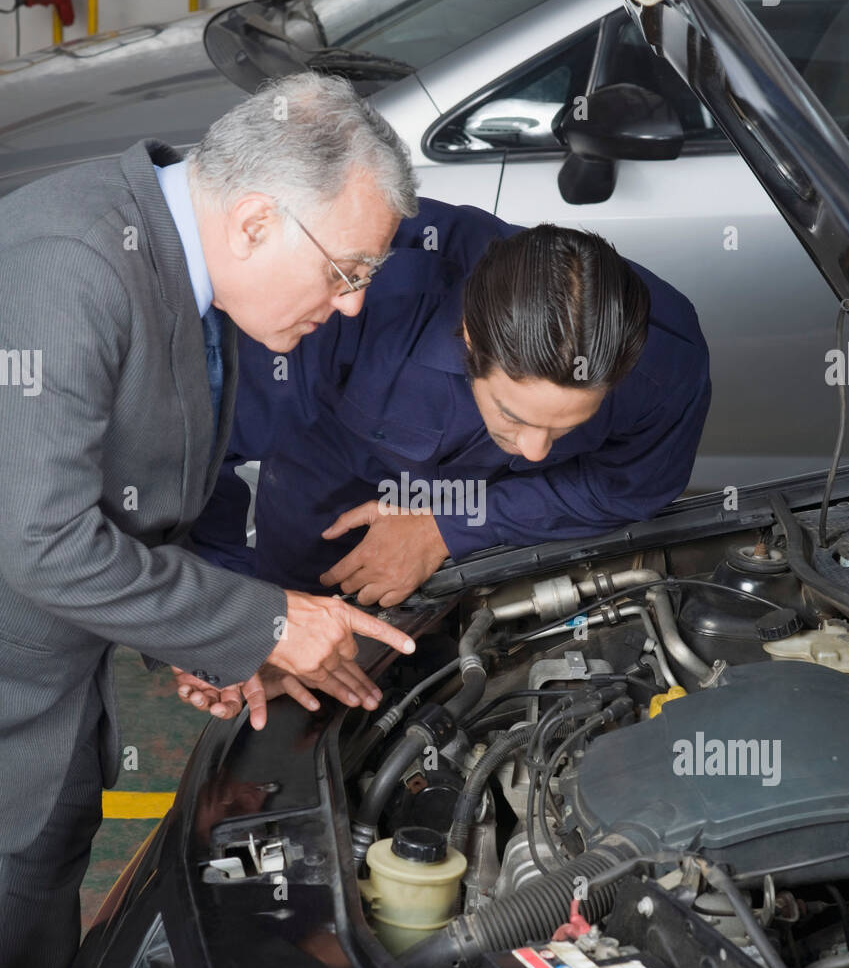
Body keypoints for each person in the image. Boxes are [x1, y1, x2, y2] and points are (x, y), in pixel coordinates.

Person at [0, 73, 420, 968]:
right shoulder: (73, 264)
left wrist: (190, 640)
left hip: (49, 721)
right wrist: (272, 620)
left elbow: (130, 508)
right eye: (349, 268)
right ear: (254, 219)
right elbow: (41, 541)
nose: (357, 299)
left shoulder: (178, 267)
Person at [180, 200, 710, 720]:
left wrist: (446, 526)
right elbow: (191, 463)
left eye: (566, 426)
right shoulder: (349, 284)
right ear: (470, 337)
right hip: (321, 513)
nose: (536, 449)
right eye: (515, 416)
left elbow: (629, 487)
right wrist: (238, 625)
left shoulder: (664, 358)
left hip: (511, 537)